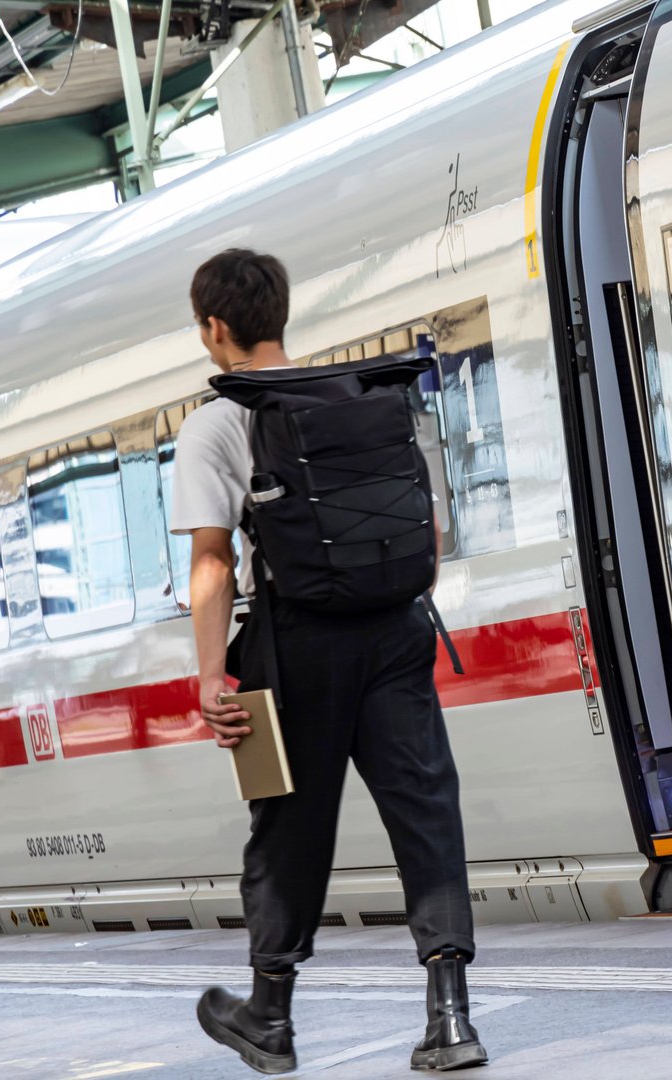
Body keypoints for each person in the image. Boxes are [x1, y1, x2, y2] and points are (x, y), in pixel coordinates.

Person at [172, 249, 487, 1074]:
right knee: (425, 811)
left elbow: (212, 562)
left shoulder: (218, 422)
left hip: (295, 641)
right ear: (280, 314)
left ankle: (270, 1015)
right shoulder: (363, 397)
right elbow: (434, 532)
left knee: (286, 823)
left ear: (214, 328)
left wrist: (212, 676)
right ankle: (451, 1018)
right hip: (397, 629)